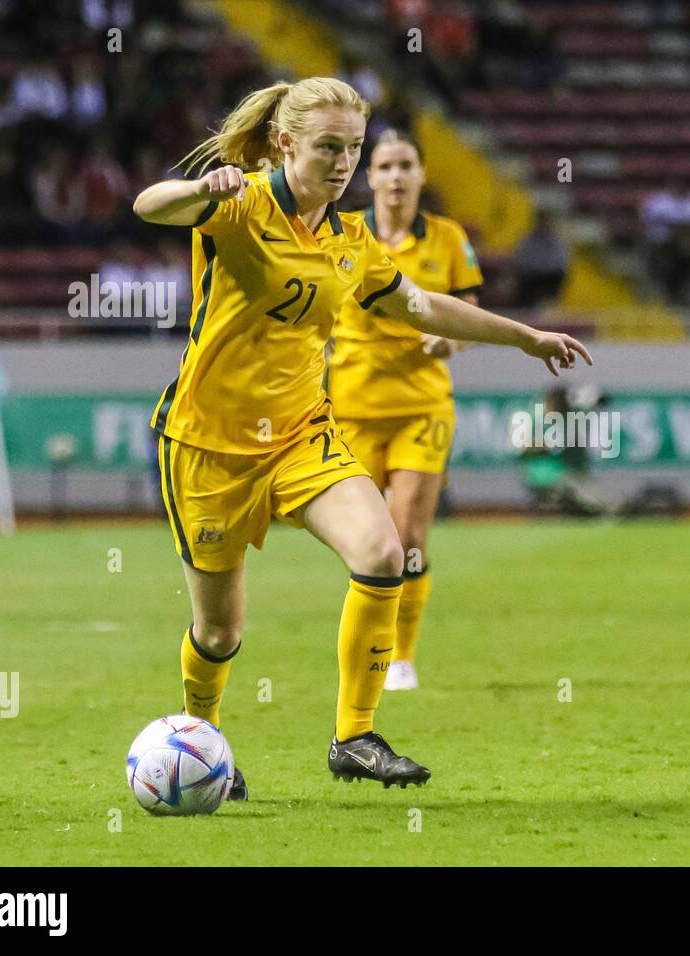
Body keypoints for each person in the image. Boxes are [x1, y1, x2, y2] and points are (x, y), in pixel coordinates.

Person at [133, 77, 591, 797]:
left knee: (386, 552)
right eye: (329, 148)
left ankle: (354, 736)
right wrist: (203, 188)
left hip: (299, 436)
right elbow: (148, 206)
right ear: (286, 144)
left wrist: (526, 338)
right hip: (206, 446)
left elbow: (419, 305)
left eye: (354, 149)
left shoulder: (352, 240)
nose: (345, 164)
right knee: (219, 634)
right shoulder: (243, 203)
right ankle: (202, 736)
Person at [327, 129, 483, 692]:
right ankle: (365, 647)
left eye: (406, 166)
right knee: (369, 543)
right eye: (385, 166)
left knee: (410, 534)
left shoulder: (446, 238)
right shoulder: (343, 232)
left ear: (421, 175)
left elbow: (467, 309)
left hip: (422, 405)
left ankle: (399, 657)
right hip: (352, 406)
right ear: (370, 177)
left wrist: (453, 342)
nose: (395, 177)